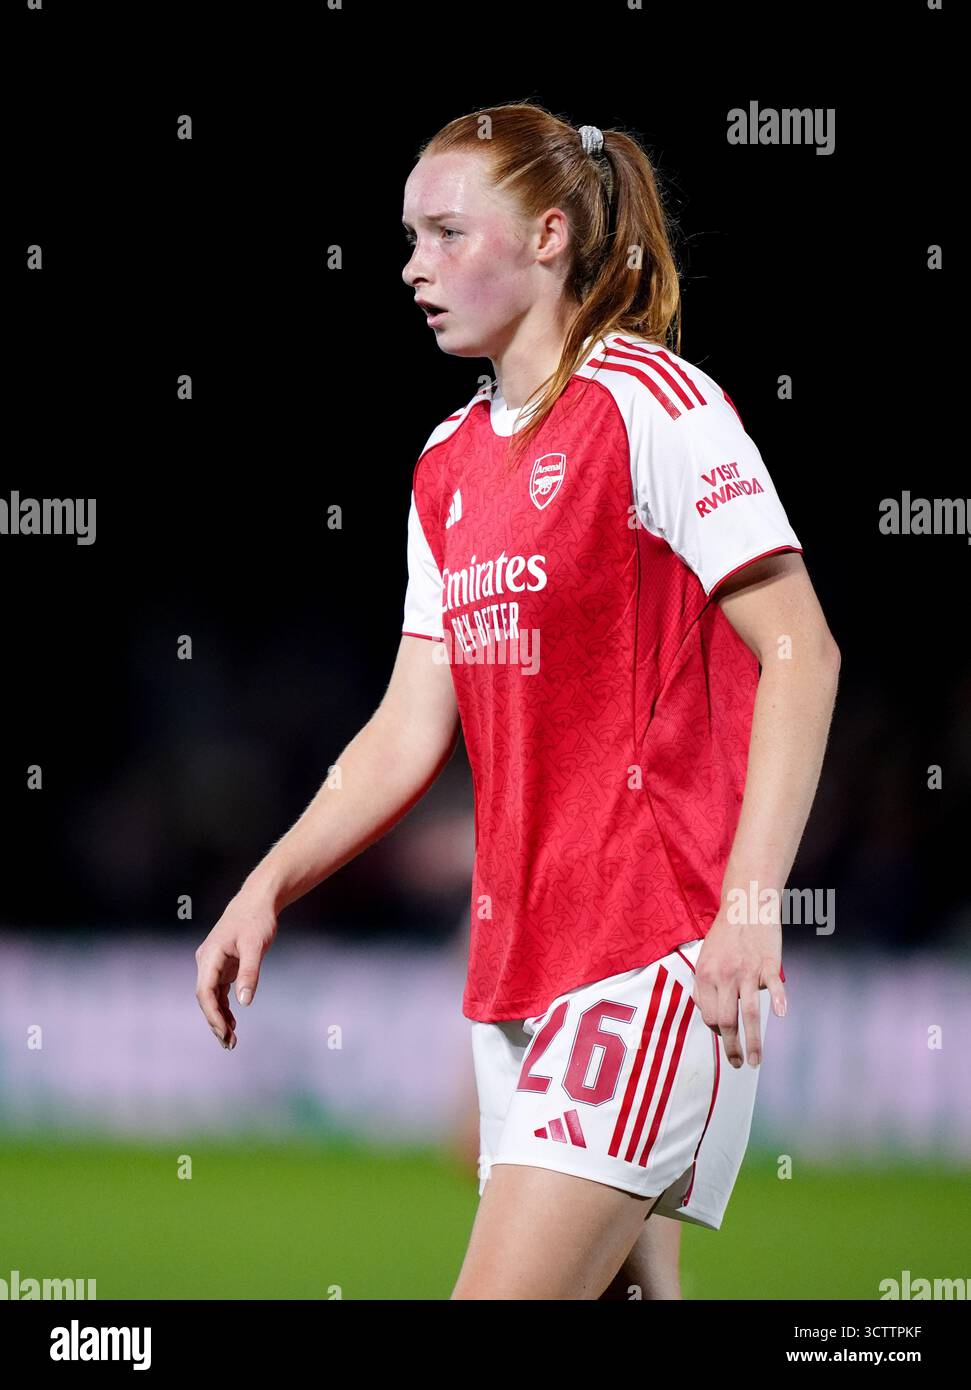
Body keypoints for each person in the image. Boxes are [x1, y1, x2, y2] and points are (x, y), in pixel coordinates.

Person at [194, 102, 841, 1300]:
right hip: (520, 969)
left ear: (549, 237)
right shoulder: (445, 465)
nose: (411, 268)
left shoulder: (650, 402)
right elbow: (405, 726)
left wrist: (750, 905)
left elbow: (803, 650)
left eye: (445, 232)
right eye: (406, 238)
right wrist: (266, 880)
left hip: (650, 953)